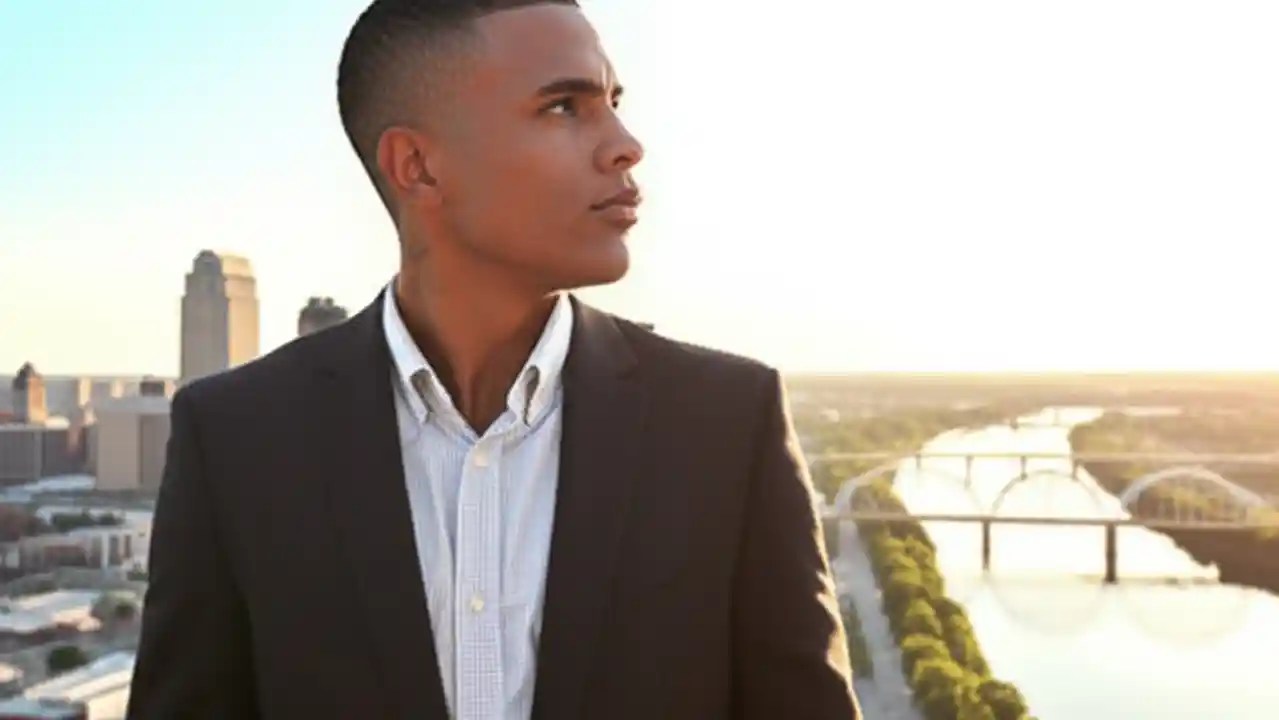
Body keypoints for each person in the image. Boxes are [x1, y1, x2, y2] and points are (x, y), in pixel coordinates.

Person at [126, 1, 861, 718]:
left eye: (612, 100)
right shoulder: (235, 438)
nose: (625, 143)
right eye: (564, 108)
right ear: (417, 166)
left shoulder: (728, 425)